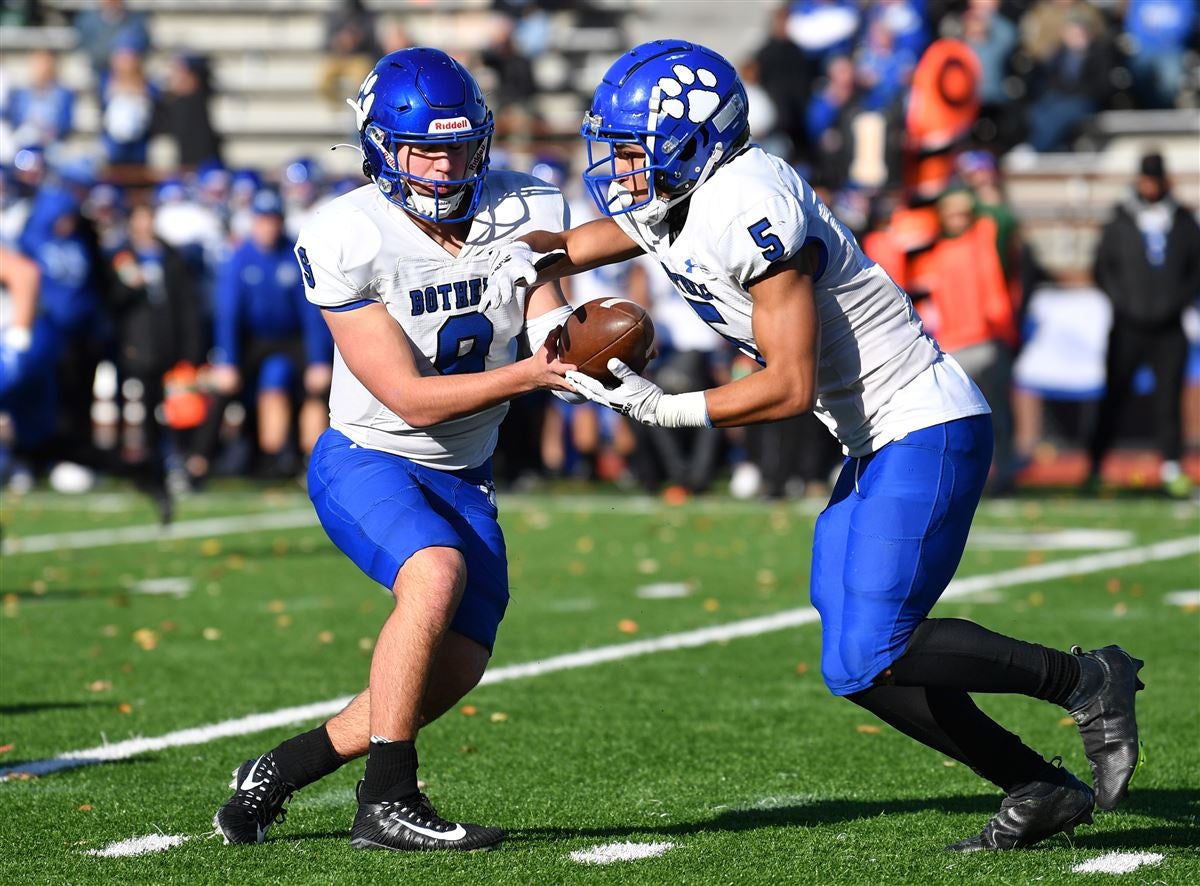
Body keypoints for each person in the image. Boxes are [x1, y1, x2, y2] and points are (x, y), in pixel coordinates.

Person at [483, 39, 1145, 852]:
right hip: (872, 440)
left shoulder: (748, 203)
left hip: (923, 421)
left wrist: (664, 409)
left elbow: (788, 387)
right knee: (853, 662)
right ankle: (1035, 785)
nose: (620, 170)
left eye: (631, 152)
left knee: (878, 644)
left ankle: (1086, 678)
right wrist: (514, 257)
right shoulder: (683, 192)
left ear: (693, 142)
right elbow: (586, 241)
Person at [212, 47, 577, 852]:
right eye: (425, 149)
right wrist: (532, 373)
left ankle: (279, 770)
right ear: (380, 147)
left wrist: (584, 344)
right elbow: (406, 396)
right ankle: (387, 802)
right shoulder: (347, 231)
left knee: (458, 665)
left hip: (466, 473)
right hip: (369, 455)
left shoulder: (525, 203)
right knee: (434, 572)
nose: (446, 165)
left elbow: (550, 307)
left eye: (458, 146)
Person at [1085, 152, 1200, 499]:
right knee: (1115, 396)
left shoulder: (1183, 221)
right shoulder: (1120, 220)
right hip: (1127, 326)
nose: (1150, 186)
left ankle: (1171, 468)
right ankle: (1095, 466)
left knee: (1168, 400)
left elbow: (1195, 269)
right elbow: (1102, 268)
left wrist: (1174, 302)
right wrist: (1125, 303)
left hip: (1169, 327)